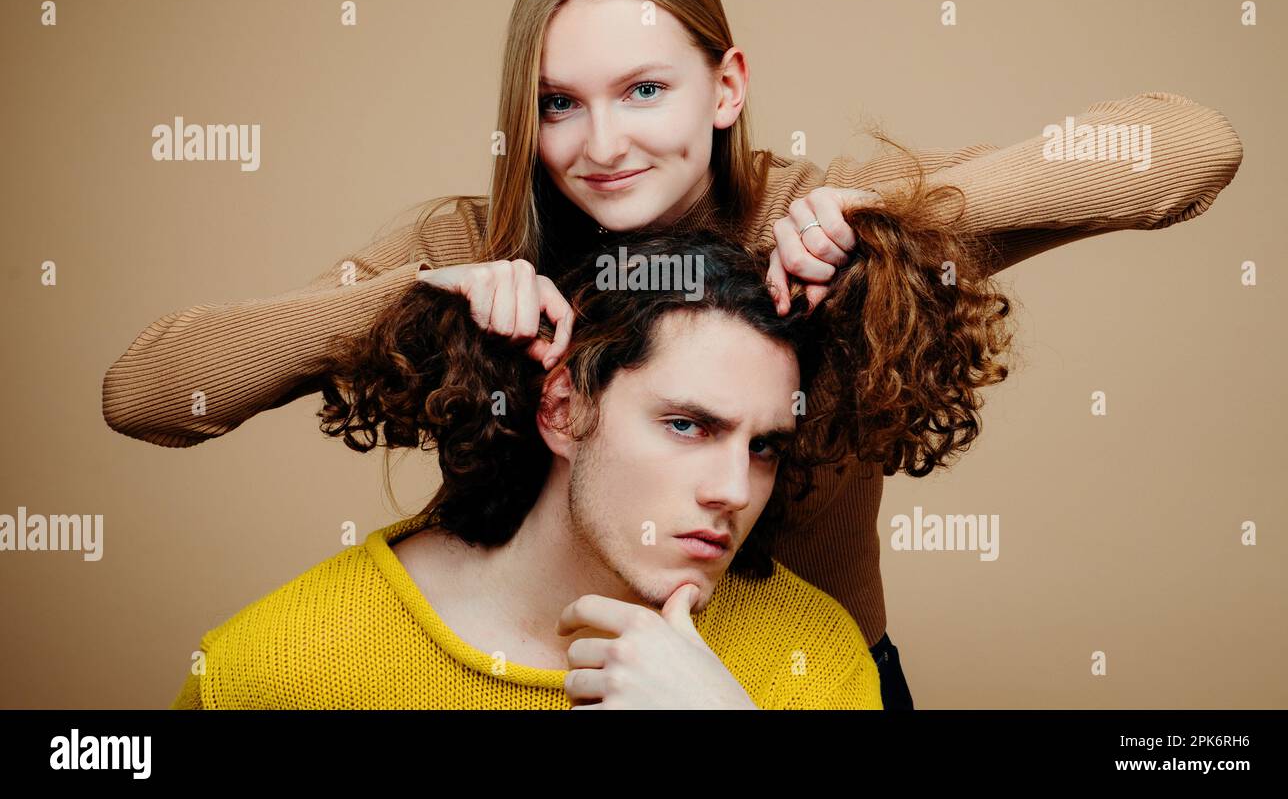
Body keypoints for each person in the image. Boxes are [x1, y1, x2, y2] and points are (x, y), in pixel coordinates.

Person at [111, 0, 1243, 709]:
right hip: (523, 682)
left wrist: (893, 218)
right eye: (560, 104)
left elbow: (1192, 152)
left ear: (727, 86)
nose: (602, 146)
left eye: (645, 90)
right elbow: (145, 394)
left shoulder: (822, 228)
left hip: (804, 688)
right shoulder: (472, 247)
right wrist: (410, 301)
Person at [171, 190, 1015, 709]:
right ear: (563, 408)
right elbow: (146, 387)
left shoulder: (811, 663)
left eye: (764, 446)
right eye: (689, 425)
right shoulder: (283, 666)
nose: (733, 488)